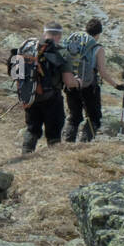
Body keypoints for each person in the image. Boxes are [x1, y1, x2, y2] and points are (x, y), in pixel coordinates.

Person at [63, 18, 121, 142]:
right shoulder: (97, 48)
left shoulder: (74, 44)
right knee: (94, 118)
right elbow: (103, 73)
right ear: (99, 33)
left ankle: (68, 144)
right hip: (89, 87)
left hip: (71, 84)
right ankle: (84, 144)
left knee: (74, 117)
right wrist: (116, 85)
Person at [22, 23, 76, 154]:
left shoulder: (29, 48)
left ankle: (25, 156)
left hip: (30, 96)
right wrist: (78, 82)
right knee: (54, 131)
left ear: (44, 33)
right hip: (52, 98)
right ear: (59, 35)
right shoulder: (62, 52)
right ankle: (53, 160)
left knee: (32, 129)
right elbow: (68, 81)